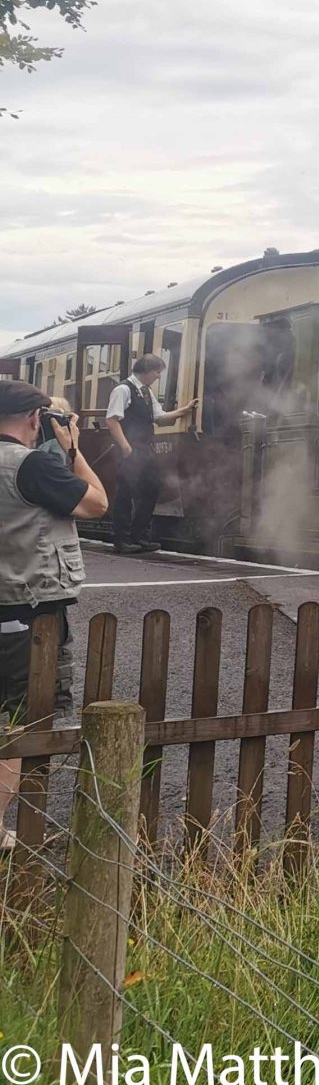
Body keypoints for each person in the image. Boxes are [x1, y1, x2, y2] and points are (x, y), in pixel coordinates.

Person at [0, 379, 109, 848]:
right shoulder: (33, 465)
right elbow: (96, 503)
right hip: (29, 611)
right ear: (33, 419)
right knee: (20, 719)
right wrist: (74, 449)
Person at [103, 353, 195, 553]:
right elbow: (112, 419)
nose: (158, 377)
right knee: (126, 492)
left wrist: (184, 411)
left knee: (151, 488)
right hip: (129, 449)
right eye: (157, 372)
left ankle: (139, 535)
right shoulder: (123, 390)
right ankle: (122, 538)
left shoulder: (146, 392)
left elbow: (159, 417)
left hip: (146, 449)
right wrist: (125, 446)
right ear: (146, 371)